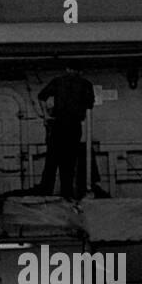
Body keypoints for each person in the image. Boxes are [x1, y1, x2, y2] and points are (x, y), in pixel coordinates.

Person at [37, 63, 102, 198]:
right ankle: (67, 195)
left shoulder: (58, 81)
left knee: (51, 161)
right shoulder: (85, 84)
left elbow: (41, 96)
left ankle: (45, 195)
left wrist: (46, 115)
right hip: (73, 125)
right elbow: (90, 105)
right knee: (69, 163)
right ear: (81, 71)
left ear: (67, 69)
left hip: (58, 125)